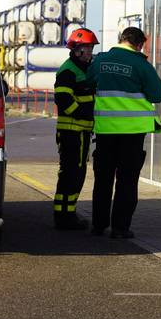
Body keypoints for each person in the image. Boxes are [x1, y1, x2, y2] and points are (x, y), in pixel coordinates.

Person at [88, 27, 161, 238]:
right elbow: (157, 94)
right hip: (133, 134)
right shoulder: (141, 64)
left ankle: (98, 225)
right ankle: (120, 229)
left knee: (103, 180)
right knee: (127, 182)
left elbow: (87, 83)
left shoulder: (101, 61)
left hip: (105, 132)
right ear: (139, 44)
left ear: (120, 39)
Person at [52, 28, 99, 230]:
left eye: (90, 48)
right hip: (72, 131)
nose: (89, 52)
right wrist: (85, 113)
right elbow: (63, 100)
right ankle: (64, 216)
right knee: (71, 173)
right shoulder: (69, 70)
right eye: (86, 48)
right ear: (76, 49)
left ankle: (67, 213)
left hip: (81, 131)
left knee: (76, 173)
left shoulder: (84, 69)